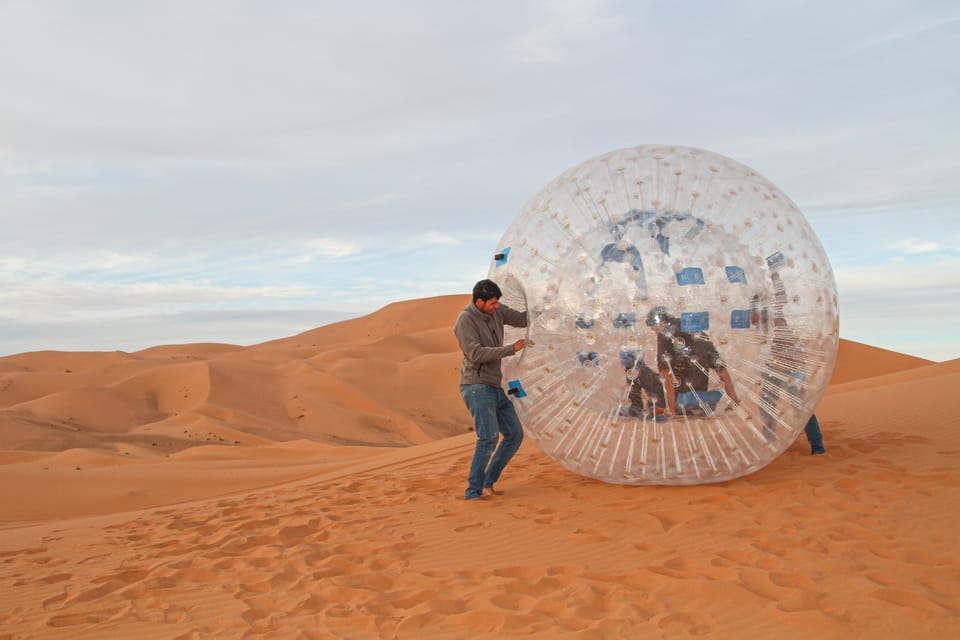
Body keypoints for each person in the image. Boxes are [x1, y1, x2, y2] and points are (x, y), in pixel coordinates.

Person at [454, 279, 528, 500]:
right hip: (476, 387)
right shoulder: (465, 321)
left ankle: (488, 483)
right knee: (487, 439)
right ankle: (473, 493)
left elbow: (522, 319)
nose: (497, 307)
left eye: (498, 303)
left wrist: (545, 305)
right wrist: (510, 349)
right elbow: (475, 354)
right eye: (493, 303)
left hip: (495, 386)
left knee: (514, 435)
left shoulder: (497, 310)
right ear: (479, 301)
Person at [753, 265, 826, 455]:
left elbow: (780, 296)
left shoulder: (775, 317)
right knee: (766, 405)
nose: (751, 318)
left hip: (792, 367)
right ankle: (770, 443)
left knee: (800, 408)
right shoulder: (759, 328)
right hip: (773, 368)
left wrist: (774, 274)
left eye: (753, 313)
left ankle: (817, 447)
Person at [645, 306, 740, 416]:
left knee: (646, 379)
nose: (654, 331)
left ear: (661, 324)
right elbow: (721, 369)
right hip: (704, 398)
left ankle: (675, 407)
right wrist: (733, 398)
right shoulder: (696, 331)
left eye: (653, 327)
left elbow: (666, 374)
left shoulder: (664, 335)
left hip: (682, 400)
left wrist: (672, 409)